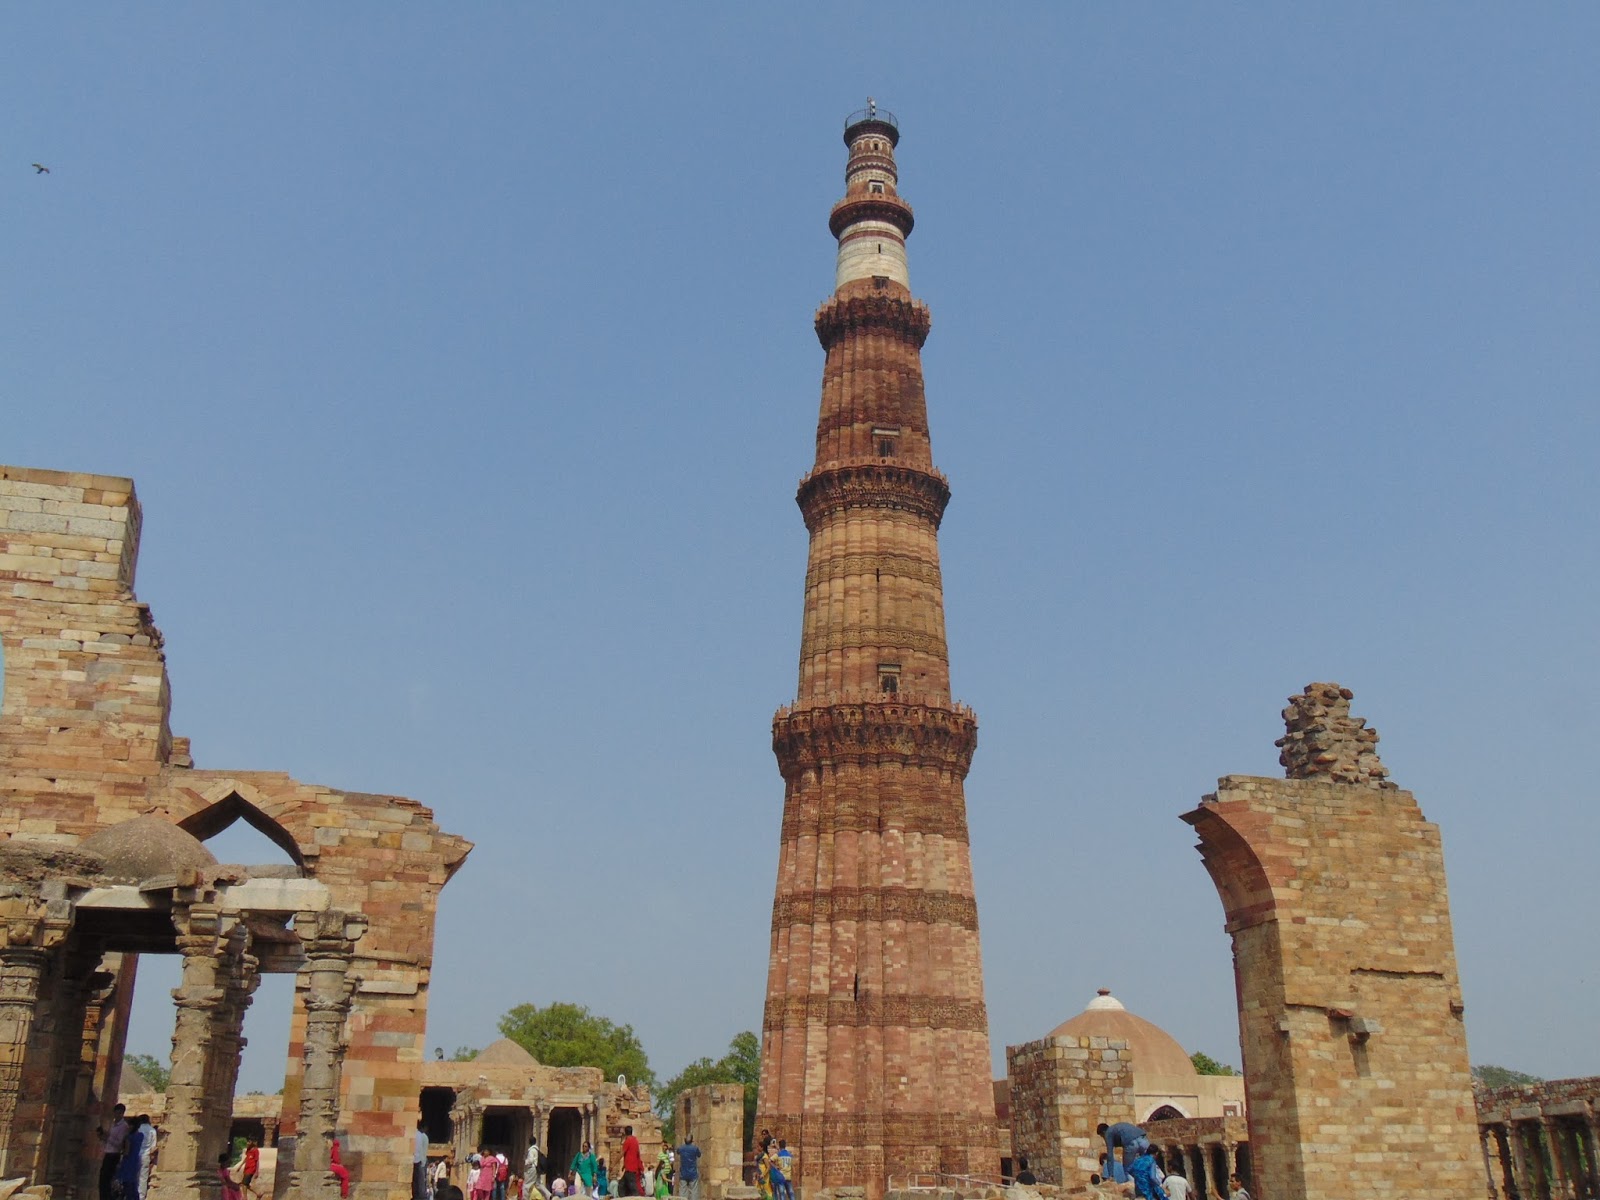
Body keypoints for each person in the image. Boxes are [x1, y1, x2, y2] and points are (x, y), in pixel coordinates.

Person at [98, 1103, 130, 1200]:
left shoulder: (124, 1126)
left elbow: (119, 1144)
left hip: (114, 1154)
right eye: (116, 1113)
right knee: (103, 1180)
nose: (118, 1115)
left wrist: (108, 1138)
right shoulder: (113, 1124)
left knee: (107, 1179)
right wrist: (103, 1137)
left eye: (120, 1113)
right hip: (108, 1153)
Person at [115, 1115, 147, 1200]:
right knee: (134, 1183)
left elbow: (126, 1152)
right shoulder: (140, 1135)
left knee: (126, 1183)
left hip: (128, 1161)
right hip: (136, 1160)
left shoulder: (129, 1137)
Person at [328, 1131, 352, 1200]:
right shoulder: (335, 1143)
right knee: (345, 1174)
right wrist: (339, 1164)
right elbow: (335, 1158)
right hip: (329, 1165)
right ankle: (344, 1195)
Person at [620, 1127, 642, 1198]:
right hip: (632, 1167)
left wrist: (613, 1164)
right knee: (622, 1185)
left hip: (630, 1168)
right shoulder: (635, 1140)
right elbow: (636, 1153)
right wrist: (624, 1165)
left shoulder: (628, 1141)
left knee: (633, 1187)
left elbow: (622, 1153)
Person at [414, 1122, 431, 1200]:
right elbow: (422, 1151)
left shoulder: (419, 1135)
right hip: (420, 1161)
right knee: (420, 1181)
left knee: (418, 1181)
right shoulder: (422, 1136)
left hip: (418, 1160)